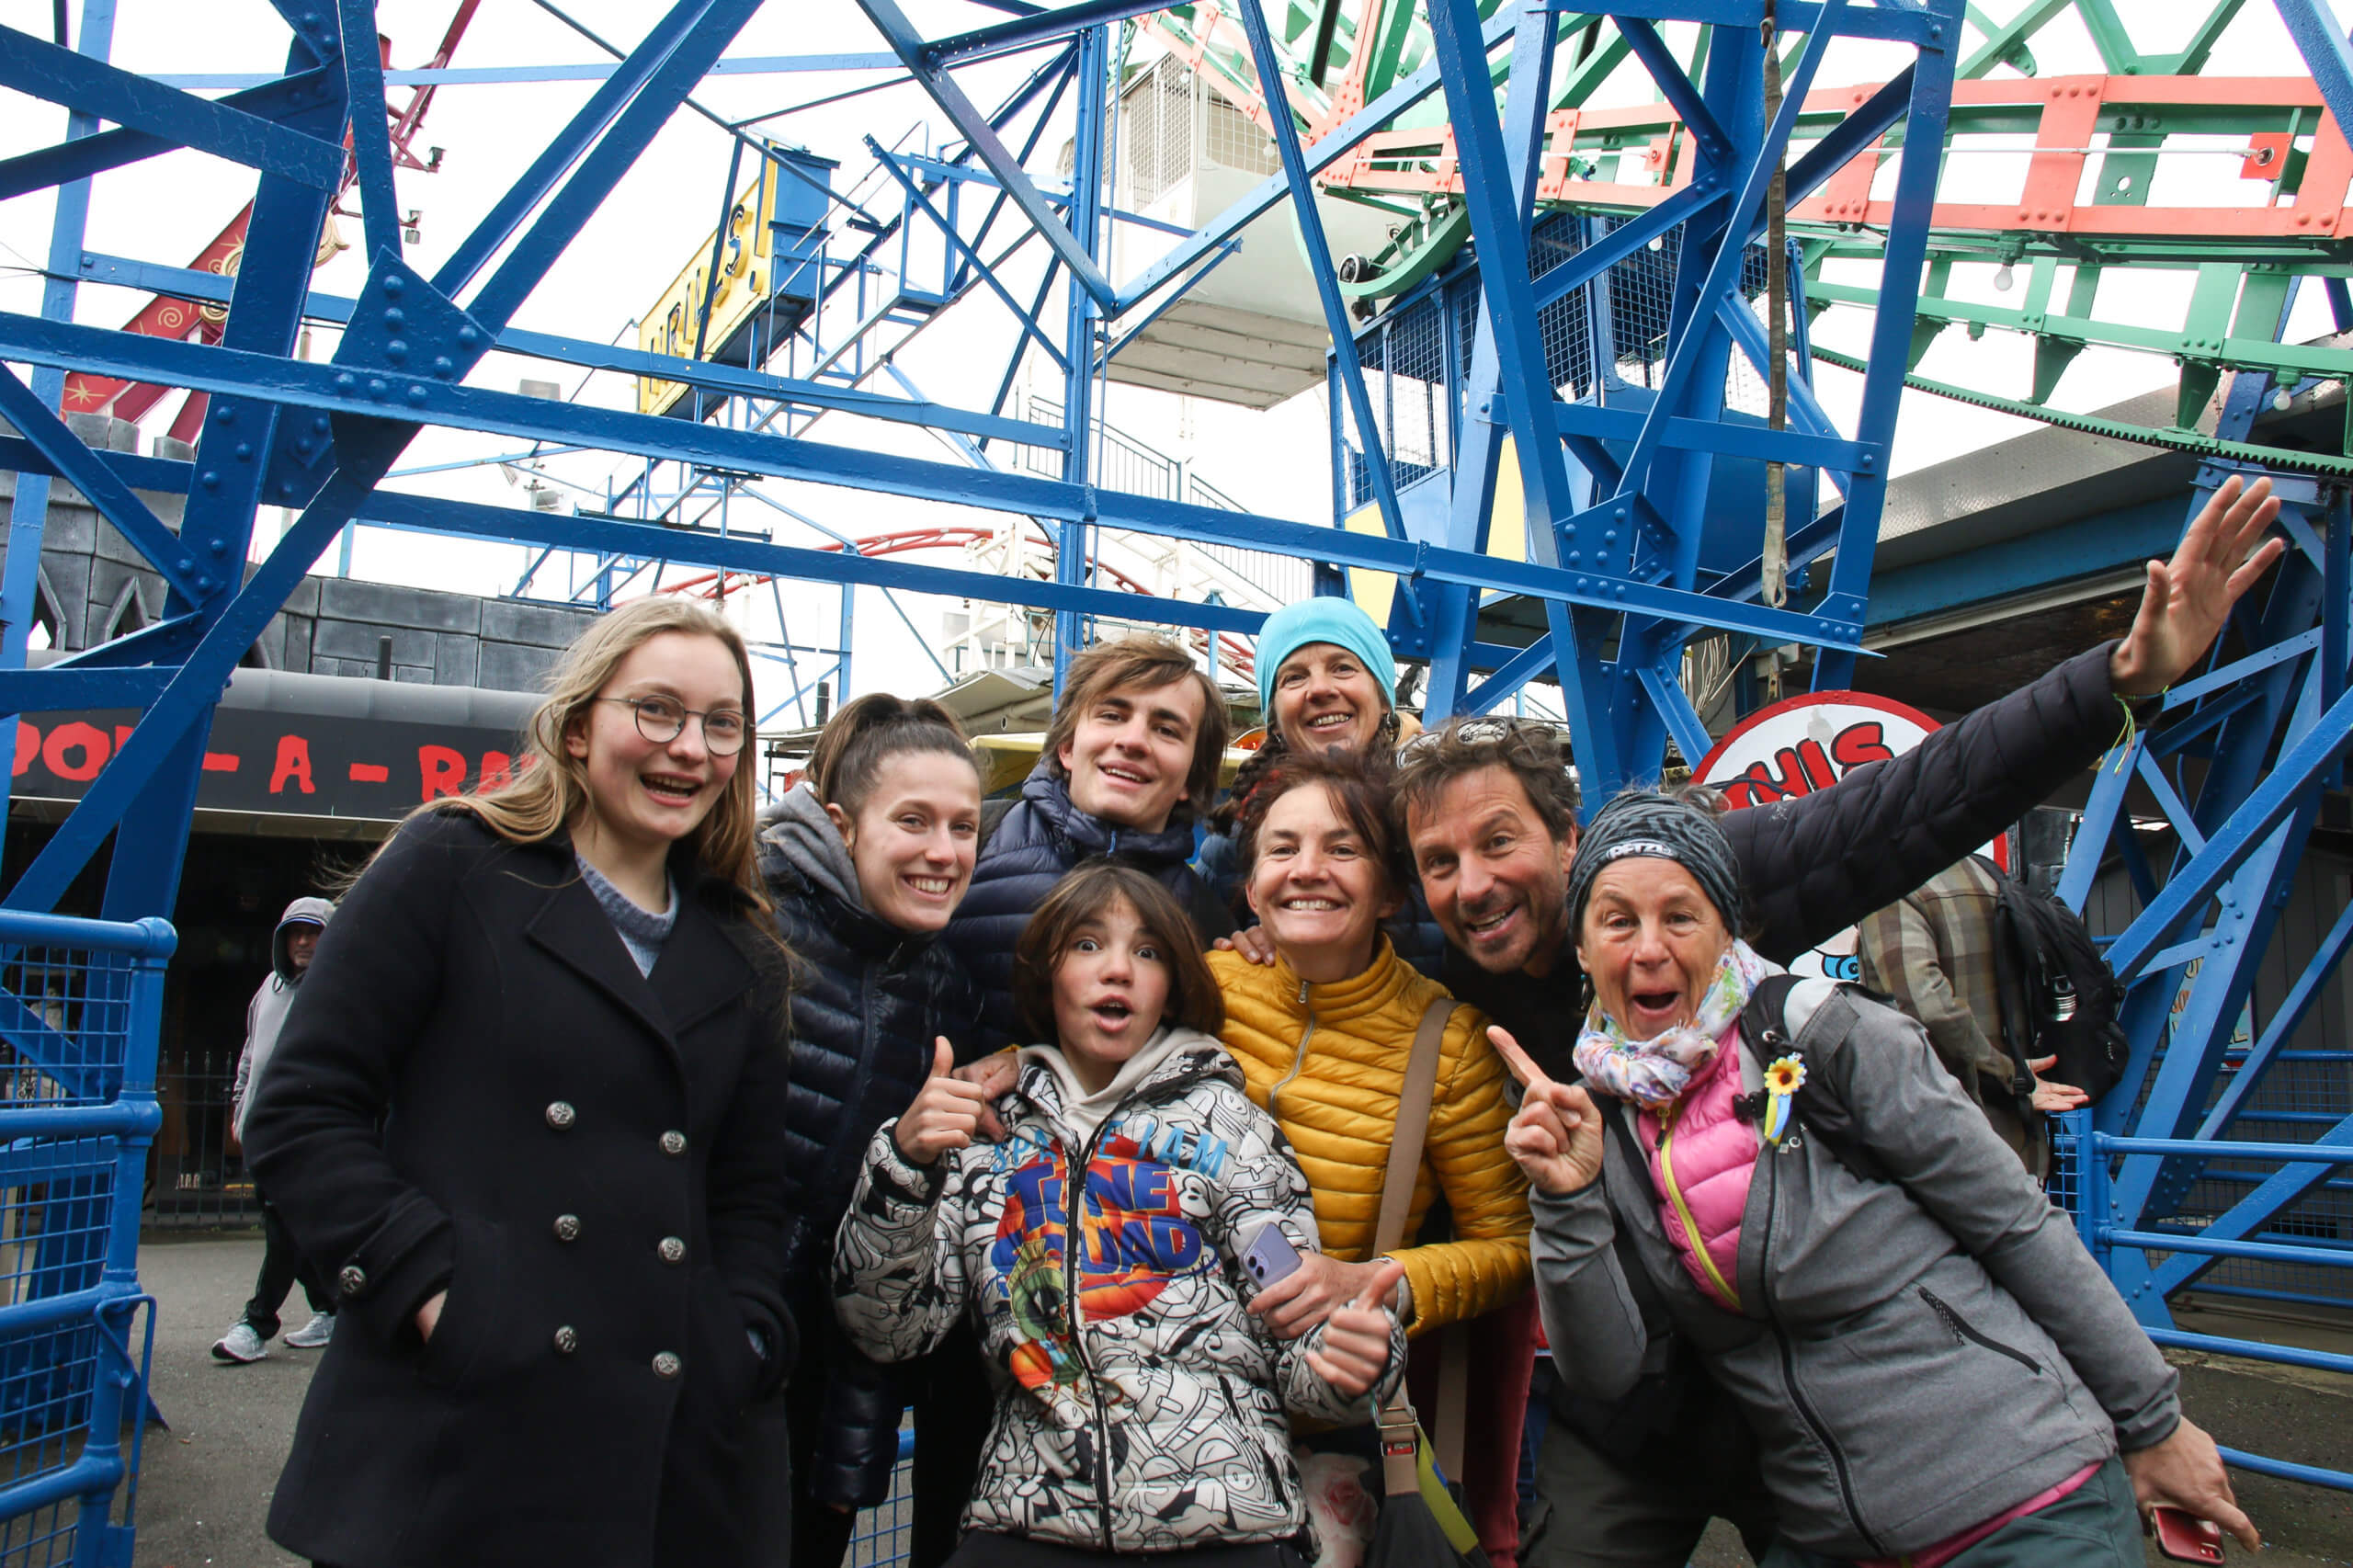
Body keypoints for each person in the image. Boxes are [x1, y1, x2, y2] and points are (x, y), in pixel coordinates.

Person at [1391, 472, 2285, 1567]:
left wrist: (2116, 680)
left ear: (1568, 841)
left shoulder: (1710, 890)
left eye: (1499, 841)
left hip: (1810, 1413)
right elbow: (1305, 889)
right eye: (1438, 862)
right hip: (1638, 1406)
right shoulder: (1435, 952)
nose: (1473, 882)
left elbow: (1913, 799)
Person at [1499, 787, 2257, 1566]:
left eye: (1681, 916)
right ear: (1583, 949)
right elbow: (1604, 1370)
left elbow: (2016, 1227)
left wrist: (2154, 1423)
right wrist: (1565, 1200)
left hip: (2023, 1499)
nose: (1650, 948)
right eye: (1618, 921)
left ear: (1726, 929)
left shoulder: (1831, 1036)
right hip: (1834, 1535)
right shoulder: (1601, 1120)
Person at [244, 597, 795, 1568]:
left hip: (665, 1440)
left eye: (722, 724)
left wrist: (742, 1335)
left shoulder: (744, 948)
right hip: (458, 1428)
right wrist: (431, 1289)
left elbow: (745, 1189)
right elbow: (302, 1108)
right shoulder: (452, 863)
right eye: (657, 710)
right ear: (577, 727)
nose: (690, 748)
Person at [834, 862, 1405, 1565]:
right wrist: (904, 1163)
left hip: (1227, 1529)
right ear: (1046, 973)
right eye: (1086, 944)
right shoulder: (984, 1139)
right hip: (1026, 1522)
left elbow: (1295, 1323)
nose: (1118, 970)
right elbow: (887, 1328)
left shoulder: (1231, 1132)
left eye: (1148, 952)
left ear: (1172, 987)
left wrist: (1351, 1357)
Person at [1210, 749, 1532, 1564]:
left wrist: (1376, 1282)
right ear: (1251, 888)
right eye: (1282, 849)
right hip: (1172, 1416)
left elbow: (1512, 1247)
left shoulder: (1447, 1043)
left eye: (1342, 849)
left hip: (1327, 1432)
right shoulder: (1201, 988)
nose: (1306, 870)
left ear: (1390, 892)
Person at [760, 695, 983, 1568]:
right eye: (913, 821)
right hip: (698, 1371)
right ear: (842, 825)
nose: (944, 853)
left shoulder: (944, 985)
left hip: (826, 1388)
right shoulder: (750, 926)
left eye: (964, 827)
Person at [945, 635, 1234, 1056]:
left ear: (1192, 777)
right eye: (1112, 715)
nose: (1133, 741)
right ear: (1066, 746)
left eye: (1166, 730)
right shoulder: (969, 841)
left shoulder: (1208, 924)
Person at [1856, 858, 2087, 1181]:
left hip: (1944, 1144)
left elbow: (1928, 1008)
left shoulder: (1892, 890)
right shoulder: (1988, 876)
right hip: (2020, 1139)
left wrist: (2008, 1074)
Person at [214, 895, 337, 1364]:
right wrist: (240, 1108)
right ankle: (332, 1308)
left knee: (283, 1228)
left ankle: (256, 1322)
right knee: (291, 1229)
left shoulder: (340, 988)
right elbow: (251, 1051)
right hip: (262, 1131)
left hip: (307, 1133)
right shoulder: (269, 987)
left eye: (313, 933)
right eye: (295, 934)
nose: (303, 942)